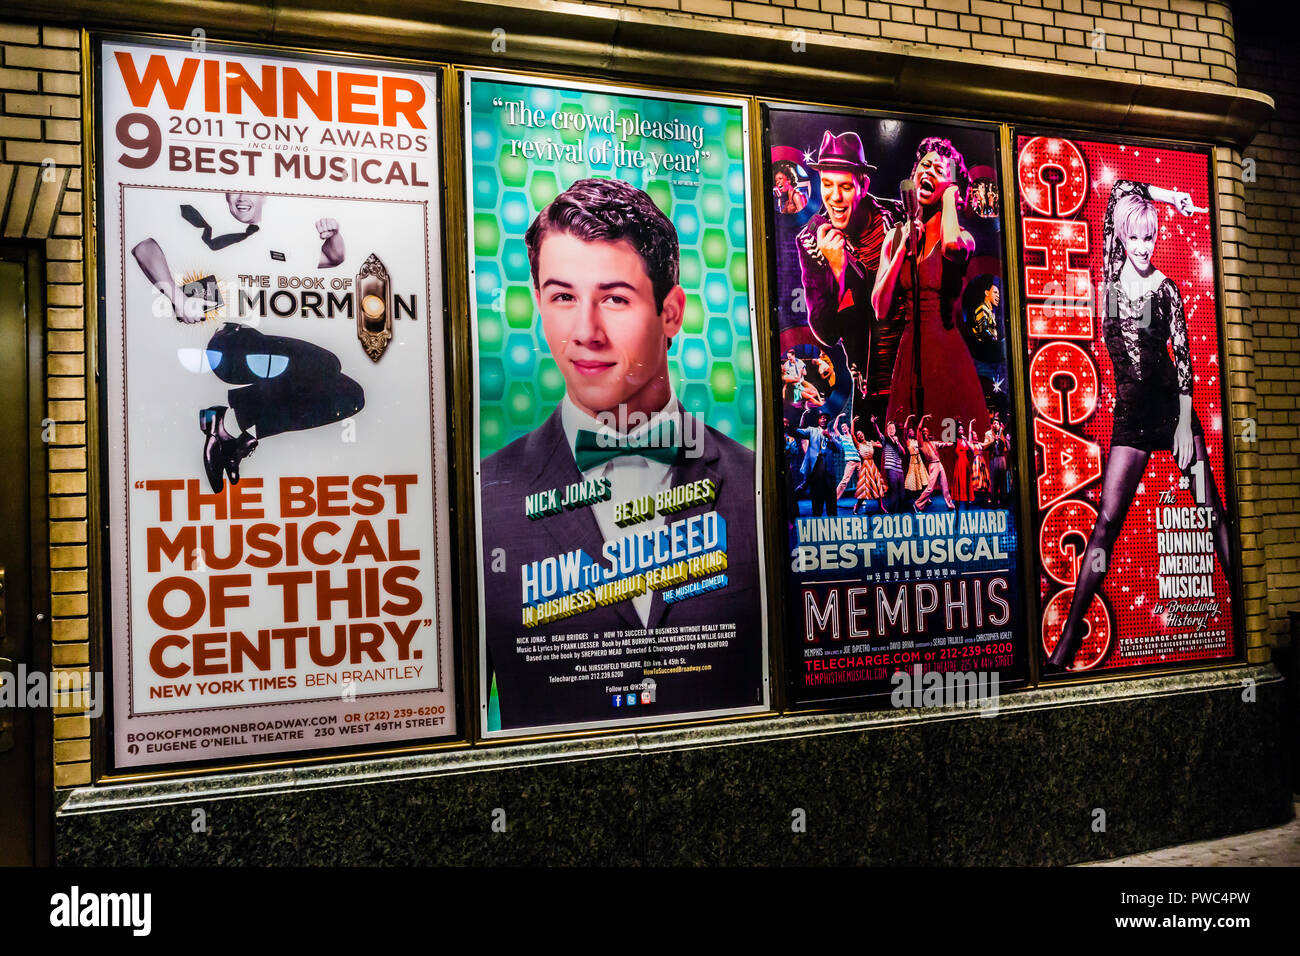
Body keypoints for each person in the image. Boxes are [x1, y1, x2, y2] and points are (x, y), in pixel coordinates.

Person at [477, 178, 761, 726]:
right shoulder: (485, 501)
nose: (586, 331)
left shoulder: (758, 489)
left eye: (614, 298)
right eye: (562, 297)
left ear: (672, 313)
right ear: (538, 305)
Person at [1044, 178, 1232, 673]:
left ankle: (1246, 610)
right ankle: (1066, 644)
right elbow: (1118, 195)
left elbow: (1186, 361)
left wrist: (1186, 427)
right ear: (1122, 239)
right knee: (1106, 523)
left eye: (1151, 238)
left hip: (1173, 413)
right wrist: (1168, 196)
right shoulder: (1108, 282)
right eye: (1136, 238)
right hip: (1130, 420)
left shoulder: (1165, 290)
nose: (1144, 247)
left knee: (1212, 511)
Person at [872, 137, 990, 457]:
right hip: (909, 359)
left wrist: (951, 194)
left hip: (948, 362)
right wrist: (901, 248)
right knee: (909, 457)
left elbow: (950, 247)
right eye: (925, 165)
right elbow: (880, 307)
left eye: (939, 170)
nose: (929, 172)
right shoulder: (895, 235)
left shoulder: (962, 238)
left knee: (950, 456)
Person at [796, 130, 907, 402]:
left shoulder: (895, 218)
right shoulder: (812, 239)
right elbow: (827, 333)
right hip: (871, 386)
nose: (834, 197)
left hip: (912, 369)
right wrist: (838, 270)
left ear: (863, 185)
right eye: (826, 184)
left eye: (844, 187)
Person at [791, 407, 838, 516]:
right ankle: (817, 518)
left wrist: (830, 437)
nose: (823, 420)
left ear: (827, 420)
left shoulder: (832, 434)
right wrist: (803, 417)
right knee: (817, 496)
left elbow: (838, 448)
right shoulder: (812, 430)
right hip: (816, 468)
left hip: (829, 470)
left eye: (825, 418)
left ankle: (833, 521)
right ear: (818, 420)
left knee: (831, 497)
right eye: (821, 418)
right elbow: (798, 431)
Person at [912, 415, 955, 511]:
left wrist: (952, 442)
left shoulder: (932, 442)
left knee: (945, 485)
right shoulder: (921, 444)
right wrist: (923, 418)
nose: (925, 432)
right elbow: (919, 429)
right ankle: (918, 504)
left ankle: (950, 504)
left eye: (926, 431)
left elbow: (944, 444)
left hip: (939, 464)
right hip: (933, 465)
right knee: (930, 488)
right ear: (922, 433)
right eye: (924, 432)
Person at [871, 414, 906, 514]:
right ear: (887, 430)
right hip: (891, 469)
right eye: (889, 428)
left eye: (893, 428)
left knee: (902, 494)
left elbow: (903, 453)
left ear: (895, 430)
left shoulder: (897, 440)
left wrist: (897, 442)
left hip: (899, 470)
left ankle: (900, 514)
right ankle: (893, 514)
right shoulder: (885, 440)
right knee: (894, 492)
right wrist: (875, 424)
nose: (891, 430)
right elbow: (878, 434)